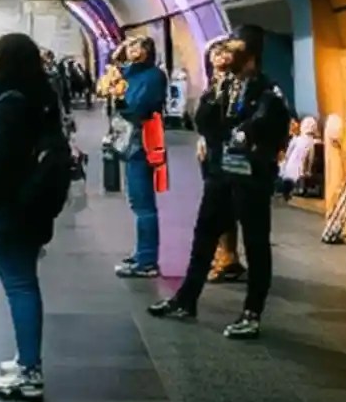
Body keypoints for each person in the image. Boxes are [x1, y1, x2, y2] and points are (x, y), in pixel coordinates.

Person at [148, 24, 292, 340]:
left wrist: (246, 134)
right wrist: (213, 92)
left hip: (251, 179)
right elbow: (205, 122)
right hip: (221, 174)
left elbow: (267, 126)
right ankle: (186, 299)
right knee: (204, 236)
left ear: (250, 56)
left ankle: (252, 312)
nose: (225, 55)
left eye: (233, 50)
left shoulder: (268, 92)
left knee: (255, 243)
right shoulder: (224, 86)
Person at [0, 33, 62, 401]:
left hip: (10, 206)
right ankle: (25, 358)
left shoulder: (9, 100)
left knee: (20, 286)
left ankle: (30, 372)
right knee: (24, 282)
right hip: (33, 203)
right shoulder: (42, 96)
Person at [112, 36, 169, 278]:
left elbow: (137, 108)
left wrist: (120, 101)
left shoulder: (153, 75)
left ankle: (147, 260)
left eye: (137, 46)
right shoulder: (130, 73)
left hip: (143, 140)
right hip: (131, 140)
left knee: (144, 204)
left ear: (148, 50)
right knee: (136, 201)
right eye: (130, 46)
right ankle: (141, 253)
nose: (132, 50)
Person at [197, 37, 245, 284]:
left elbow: (228, 120)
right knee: (219, 205)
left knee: (224, 206)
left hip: (228, 152)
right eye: (215, 54)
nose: (219, 59)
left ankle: (228, 258)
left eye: (224, 54)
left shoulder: (234, 86)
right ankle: (224, 256)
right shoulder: (213, 85)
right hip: (213, 150)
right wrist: (202, 138)